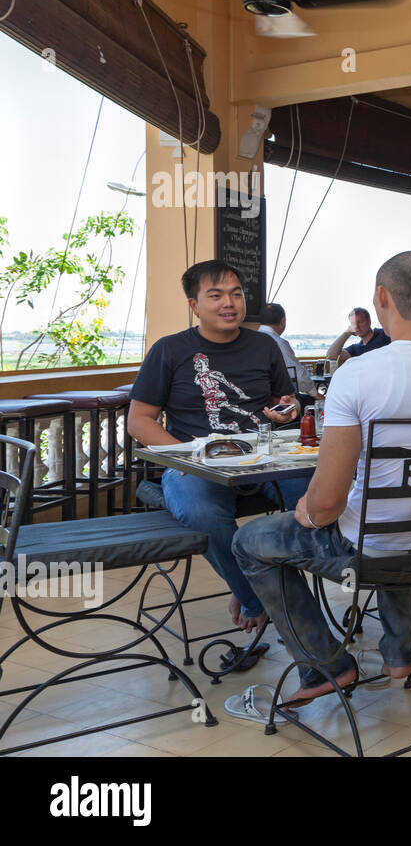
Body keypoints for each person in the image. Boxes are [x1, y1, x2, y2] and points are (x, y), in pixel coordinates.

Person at [233, 252, 411, 707]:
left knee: (250, 542)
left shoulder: (358, 374)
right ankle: (399, 653)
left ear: (380, 298)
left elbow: (325, 506)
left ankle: (326, 666)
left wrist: (305, 510)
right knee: (393, 518)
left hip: (368, 549)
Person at [127, 260, 307, 635]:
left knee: (320, 494)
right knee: (200, 511)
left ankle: (277, 575)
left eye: (236, 294)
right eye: (216, 295)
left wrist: (288, 410)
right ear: (194, 305)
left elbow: (285, 401)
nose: (230, 303)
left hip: (264, 457)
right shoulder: (169, 350)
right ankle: (258, 596)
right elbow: (139, 421)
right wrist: (191, 457)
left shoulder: (263, 345)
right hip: (198, 464)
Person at [258, 302, 314, 397]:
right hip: (273, 401)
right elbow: (298, 377)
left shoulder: (250, 340)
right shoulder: (278, 343)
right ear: (283, 321)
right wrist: (314, 392)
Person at [325, 307, 390, 365]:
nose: (357, 326)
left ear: (369, 321)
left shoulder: (384, 334)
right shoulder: (355, 349)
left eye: (360, 322)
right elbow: (331, 355)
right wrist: (347, 333)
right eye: (353, 323)